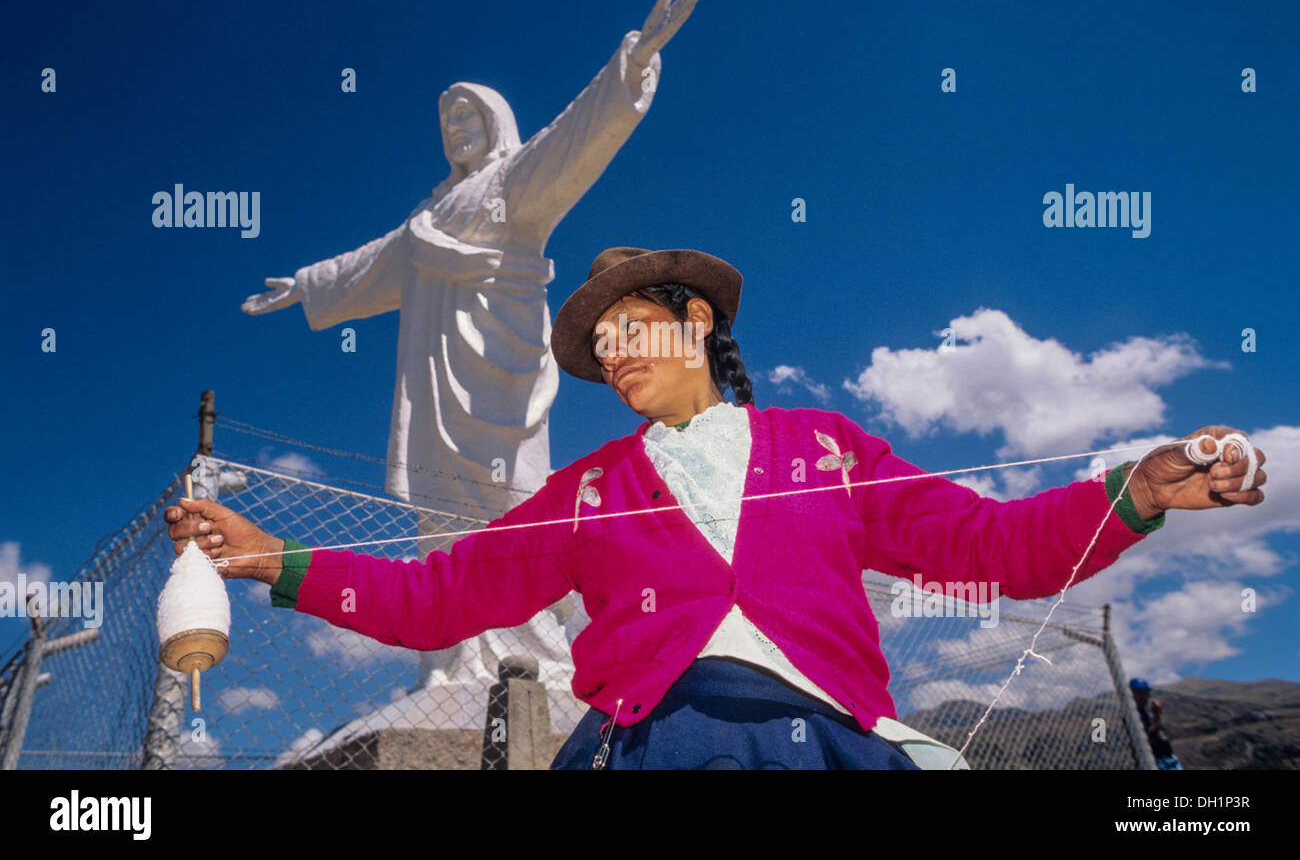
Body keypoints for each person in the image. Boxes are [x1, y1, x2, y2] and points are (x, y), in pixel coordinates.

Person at [166, 246, 1269, 770]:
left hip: (830, 742)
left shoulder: (825, 447)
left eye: (629, 328)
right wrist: (278, 560)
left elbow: (997, 548)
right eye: (598, 349)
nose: (613, 354)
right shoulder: (585, 490)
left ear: (693, 319)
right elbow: (439, 595)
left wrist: (1130, 495)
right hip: (651, 743)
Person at [1130, 678, 1184, 770]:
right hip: (1157, 761)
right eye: (1139, 693)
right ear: (1131, 694)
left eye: (1145, 692)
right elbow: (1150, 736)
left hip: (1168, 758)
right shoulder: (1133, 715)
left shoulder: (1144, 712)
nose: (1144, 697)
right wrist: (1157, 714)